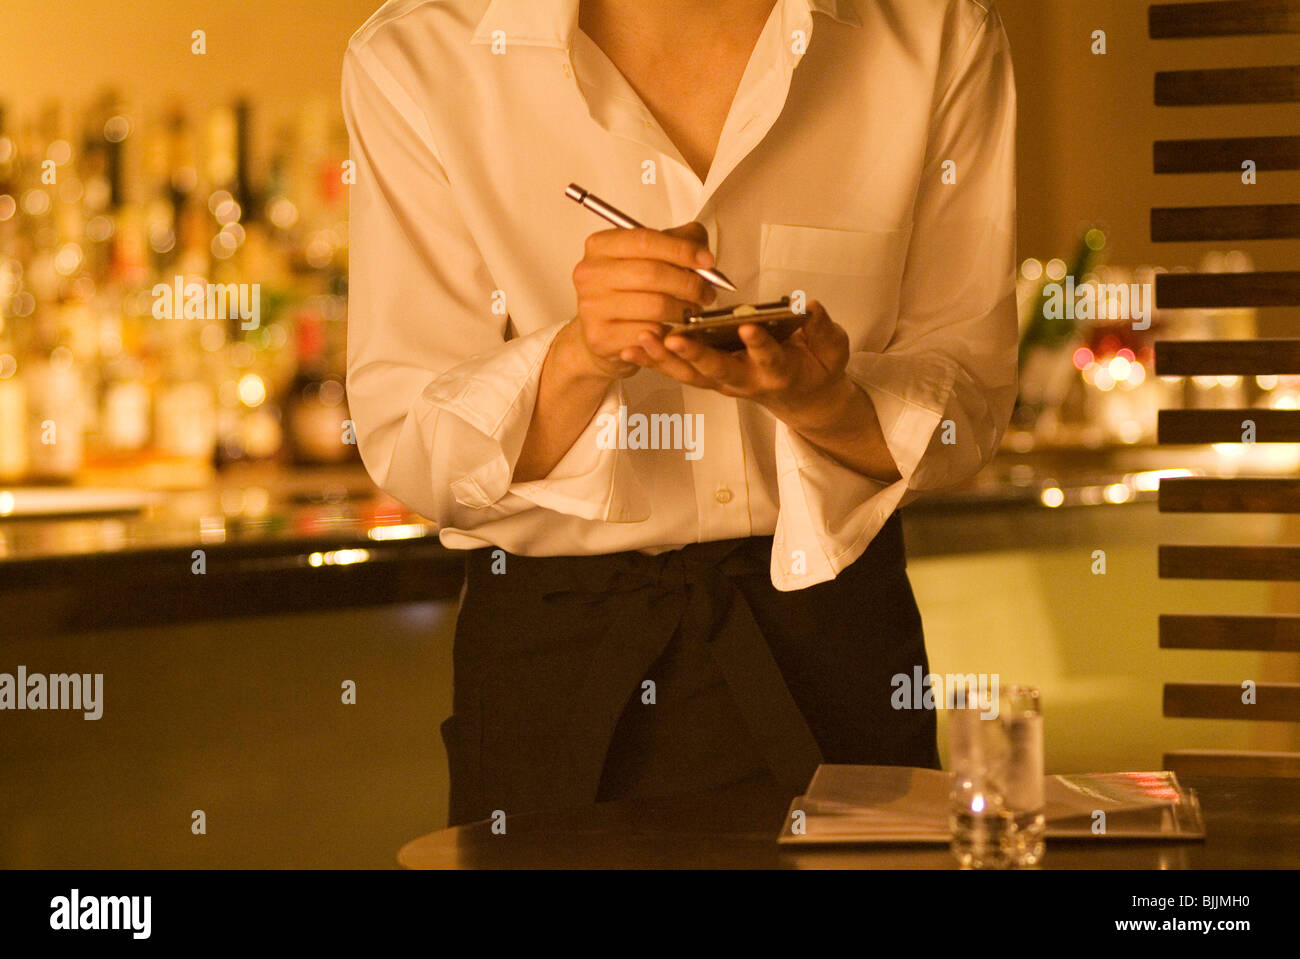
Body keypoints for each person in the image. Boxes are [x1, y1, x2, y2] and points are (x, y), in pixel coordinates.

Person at [342, 0, 1018, 826]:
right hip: (556, 665)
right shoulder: (416, 56)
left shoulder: (937, 31)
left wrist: (824, 402)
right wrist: (577, 358)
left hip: (836, 644)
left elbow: (971, 401)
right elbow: (411, 446)